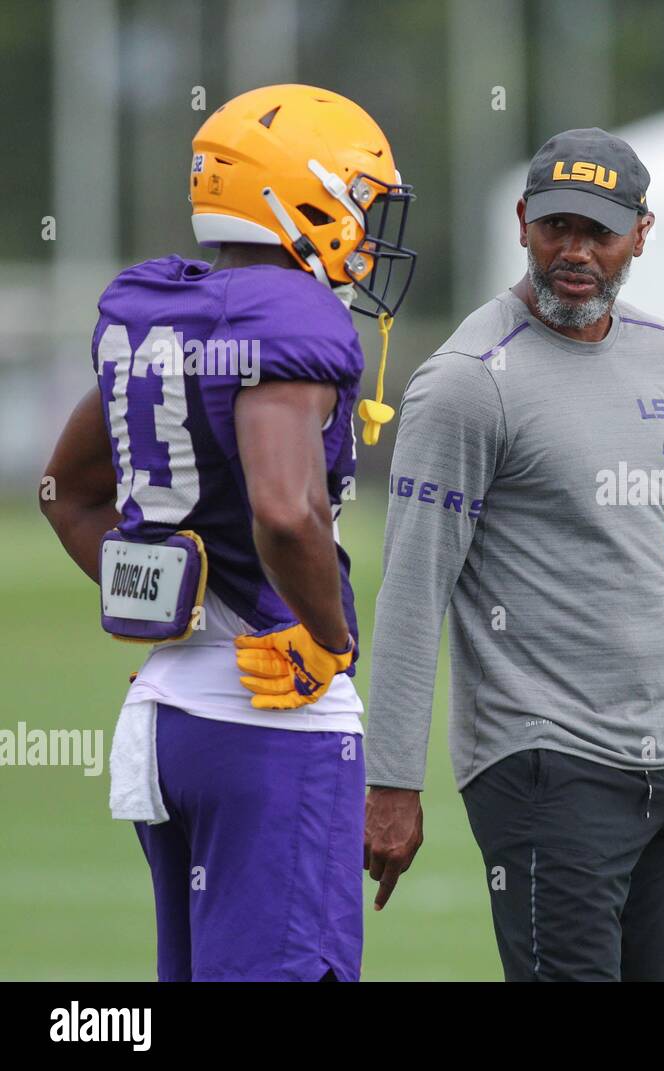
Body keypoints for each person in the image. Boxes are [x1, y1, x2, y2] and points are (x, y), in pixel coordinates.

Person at [39, 84, 417, 981]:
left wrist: (180, 609)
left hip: (166, 722)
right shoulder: (290, 315)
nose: (368, 228)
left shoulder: (159, 308)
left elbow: (66, 493)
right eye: (361, 201)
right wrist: (327, 640)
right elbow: (287, 510)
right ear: (308, 196)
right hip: (271, 725)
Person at [362, 128, 664, 982]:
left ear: (641, 234)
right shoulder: (468, 379)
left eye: (598, 232)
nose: (574, 252)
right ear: (524, 220)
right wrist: (392, 781)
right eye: (556, 227)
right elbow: (414, 590)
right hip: (543, 770)